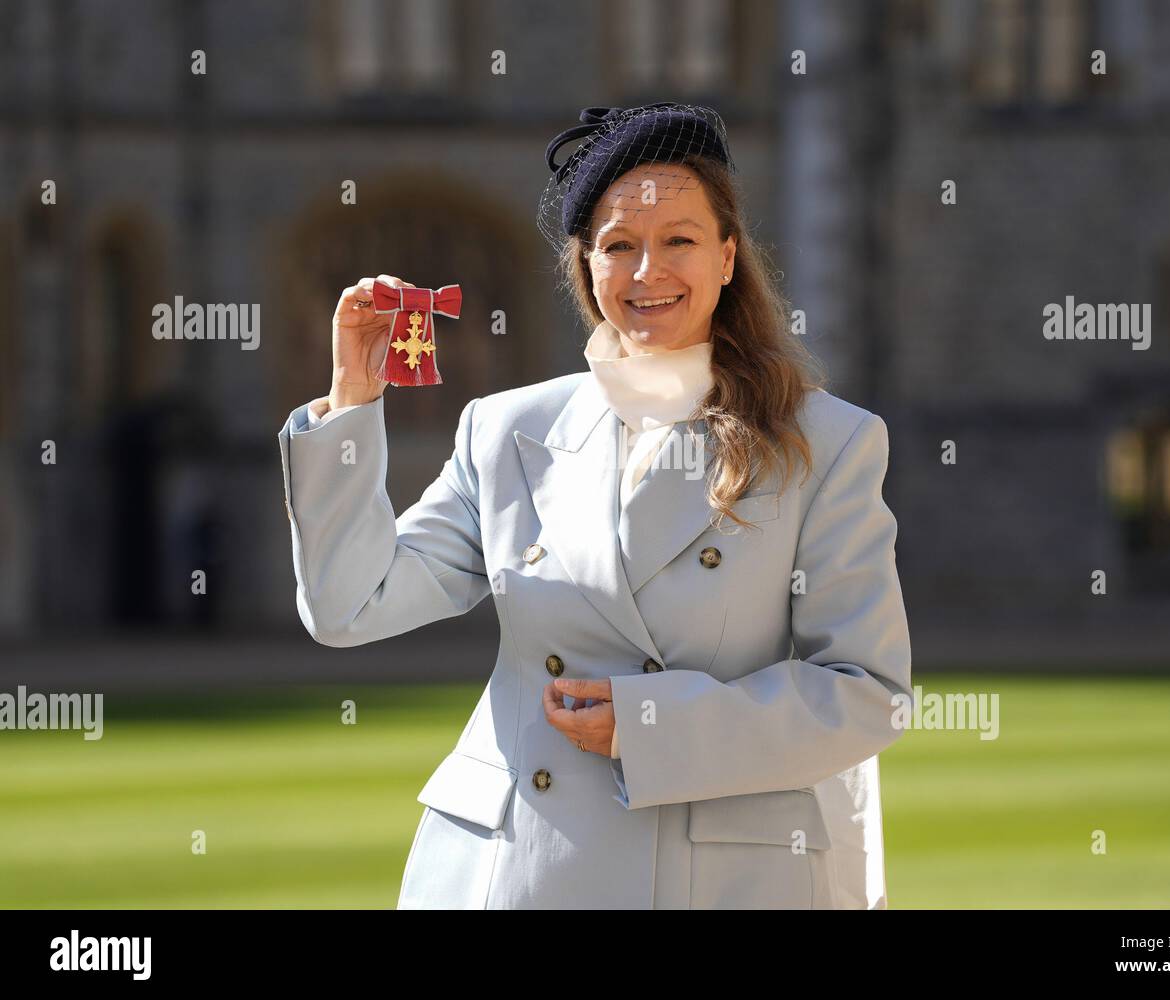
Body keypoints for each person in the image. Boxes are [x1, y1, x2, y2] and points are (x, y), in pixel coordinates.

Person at [277, 102, 912, 909]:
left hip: (719, 881)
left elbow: (866, 694)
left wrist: (652, 727)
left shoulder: (828, 441)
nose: (648, 272)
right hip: (515, 873)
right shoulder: (505, 429)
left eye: (679, 240)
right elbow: (348, 607)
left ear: (726, 257)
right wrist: (351, 398)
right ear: (585, 266)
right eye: (618, 246)